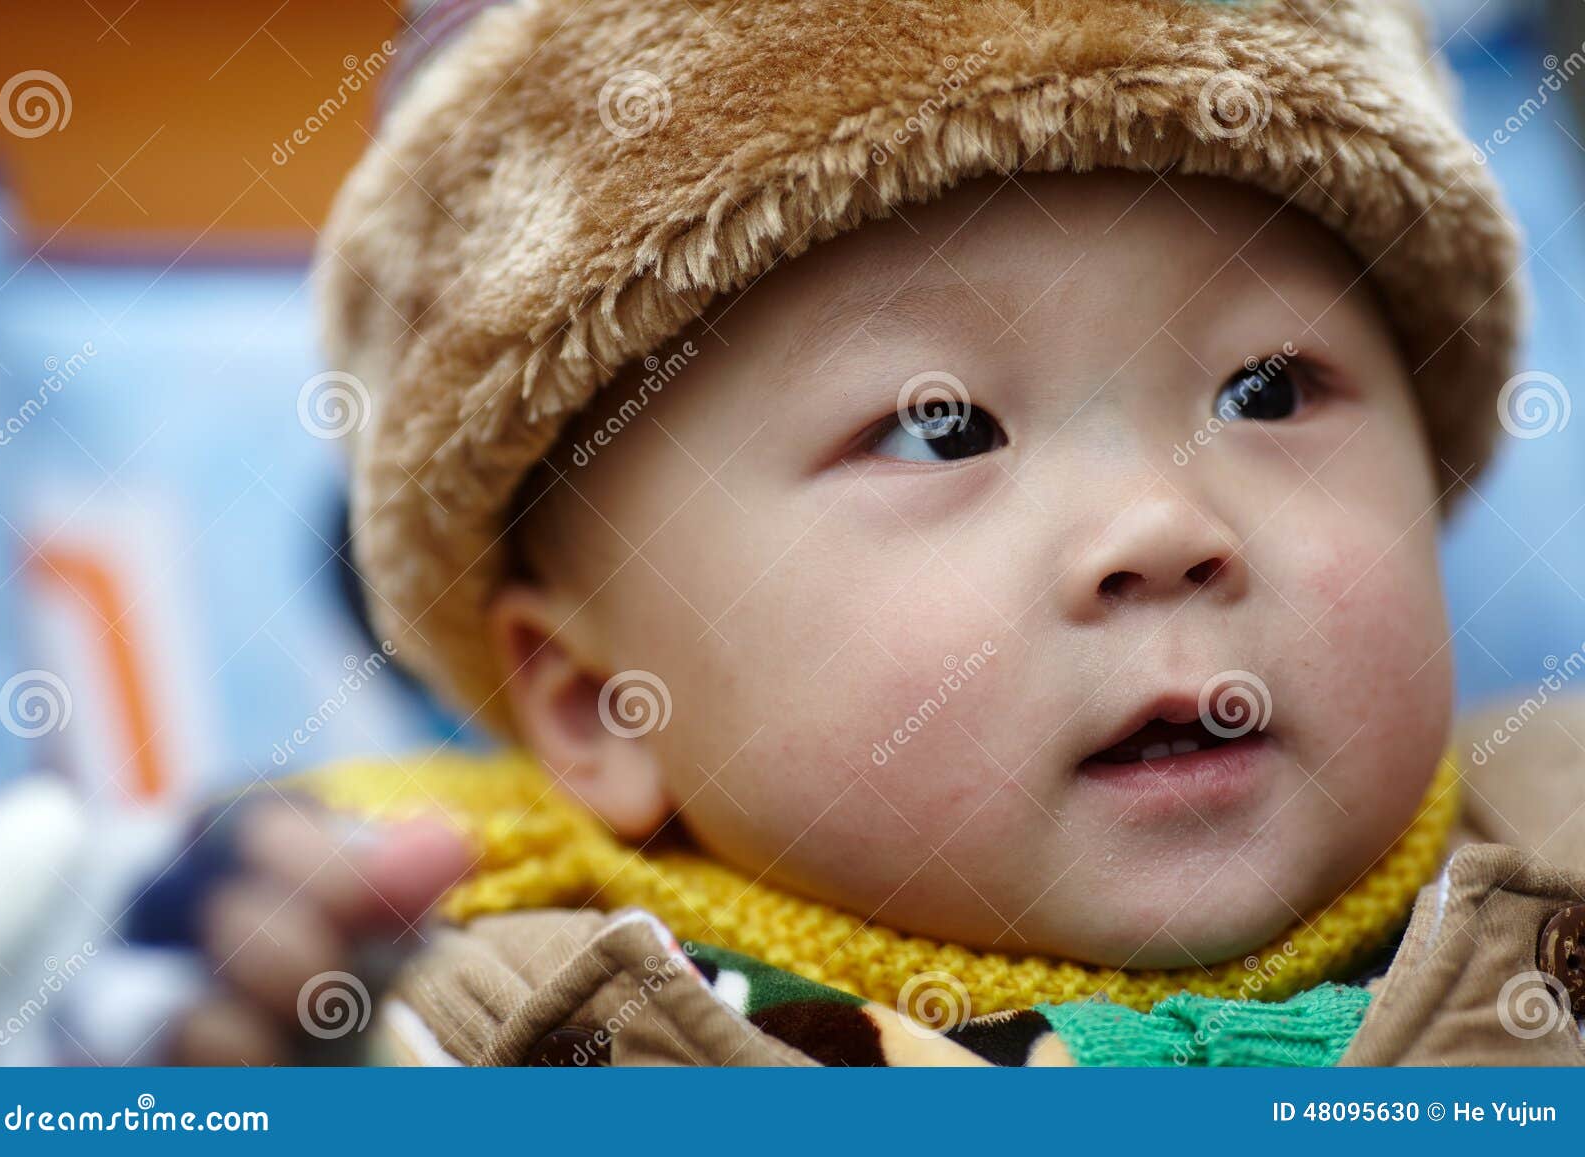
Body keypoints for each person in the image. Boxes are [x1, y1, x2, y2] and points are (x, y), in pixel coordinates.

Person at [147, 0, 1585, 1066]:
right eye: (941, 427)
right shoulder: (470, 1019)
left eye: (1267, 390)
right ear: (596, 701)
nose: (1163, 525)